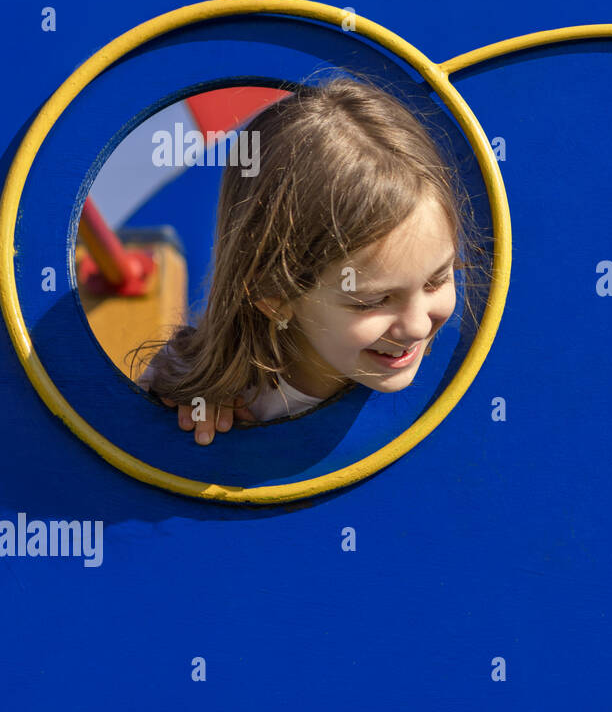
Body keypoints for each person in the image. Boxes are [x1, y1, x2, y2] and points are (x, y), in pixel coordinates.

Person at [131, 75, 485, 444]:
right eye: (372, 301)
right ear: (274, 297)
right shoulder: (207, 396)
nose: (416, 326)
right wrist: (182, 401)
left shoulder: (467, 370)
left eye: (436, 280)